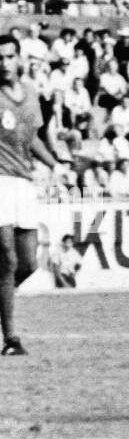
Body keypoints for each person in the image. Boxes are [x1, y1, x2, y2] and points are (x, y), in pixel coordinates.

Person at [0, 32, 59, 355]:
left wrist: (55, 163)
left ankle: (3, 308)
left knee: (28, 263)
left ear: (19, 58)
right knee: (6, 259)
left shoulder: (31, 94)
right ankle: (10, 338)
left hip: (23, 183)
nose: (5, 63)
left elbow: (31, 138)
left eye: (10, 56)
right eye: (0, 58)